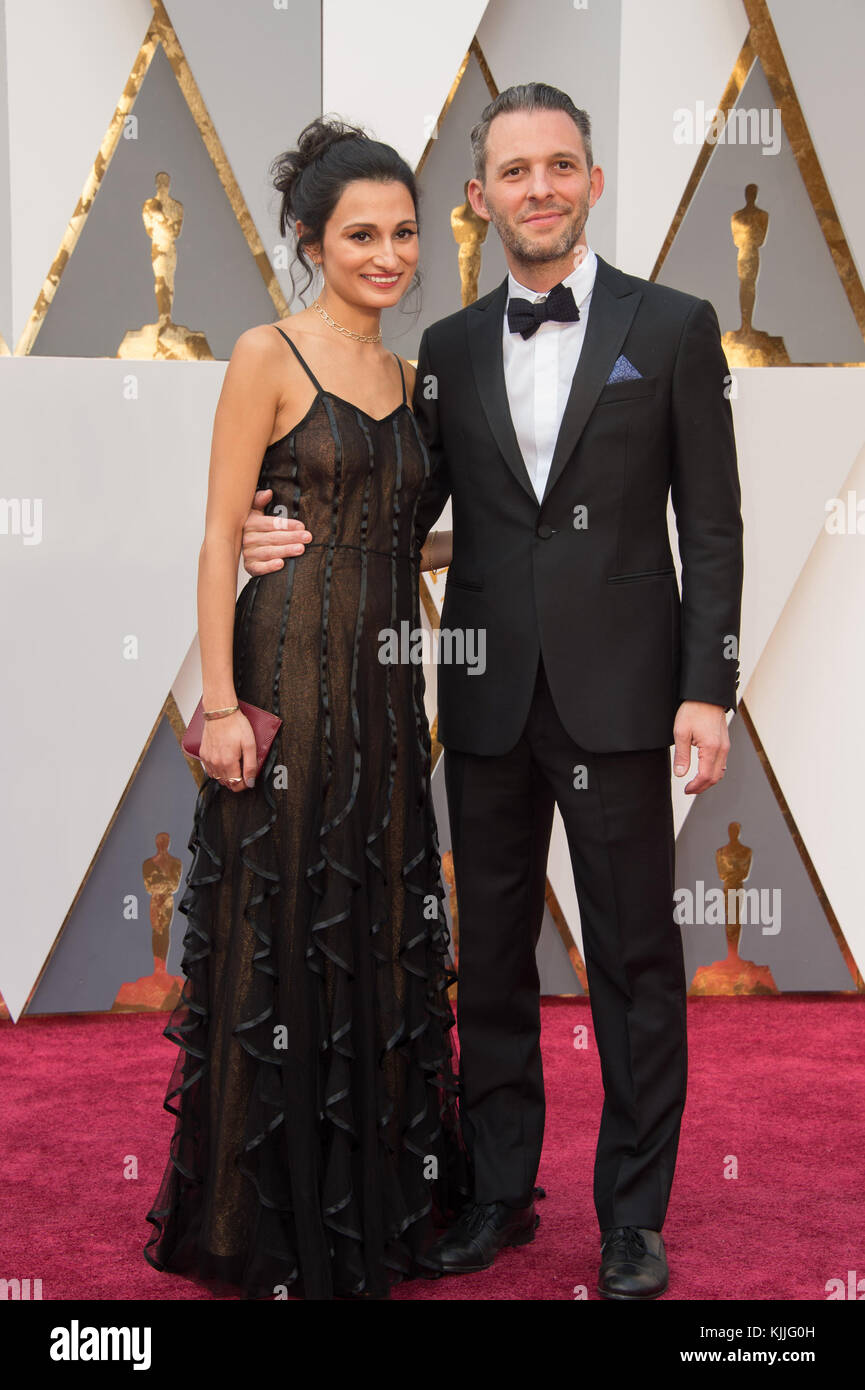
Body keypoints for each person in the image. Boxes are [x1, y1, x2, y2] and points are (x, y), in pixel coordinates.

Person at [240, 84, 744, 1301]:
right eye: (513, 172)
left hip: (627, 700)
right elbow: (409, 516)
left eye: (559, 167)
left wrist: (705, 690)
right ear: (481, 197)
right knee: (493, 959)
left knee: (634, 961)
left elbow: (714, 528)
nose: (538, 189)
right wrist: (280, 529)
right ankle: (502, 1197)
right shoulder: (449, 351)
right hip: (482, 699)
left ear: (592, 182)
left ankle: (632, 1218)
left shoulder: (674, 327)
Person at [143, 116, 468, 1303]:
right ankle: (264, 1217)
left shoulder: (412, 372)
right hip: (283, 680)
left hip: (388, 695)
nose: (387, 255)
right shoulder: (266, 351)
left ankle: (376, 1198)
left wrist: (401, 546)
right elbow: (222, 535)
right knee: (286, 931)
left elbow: (391, 530)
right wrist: (218, 705)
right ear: (309, 240)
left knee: (376, 921)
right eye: (359, 236)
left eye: (402, 234)